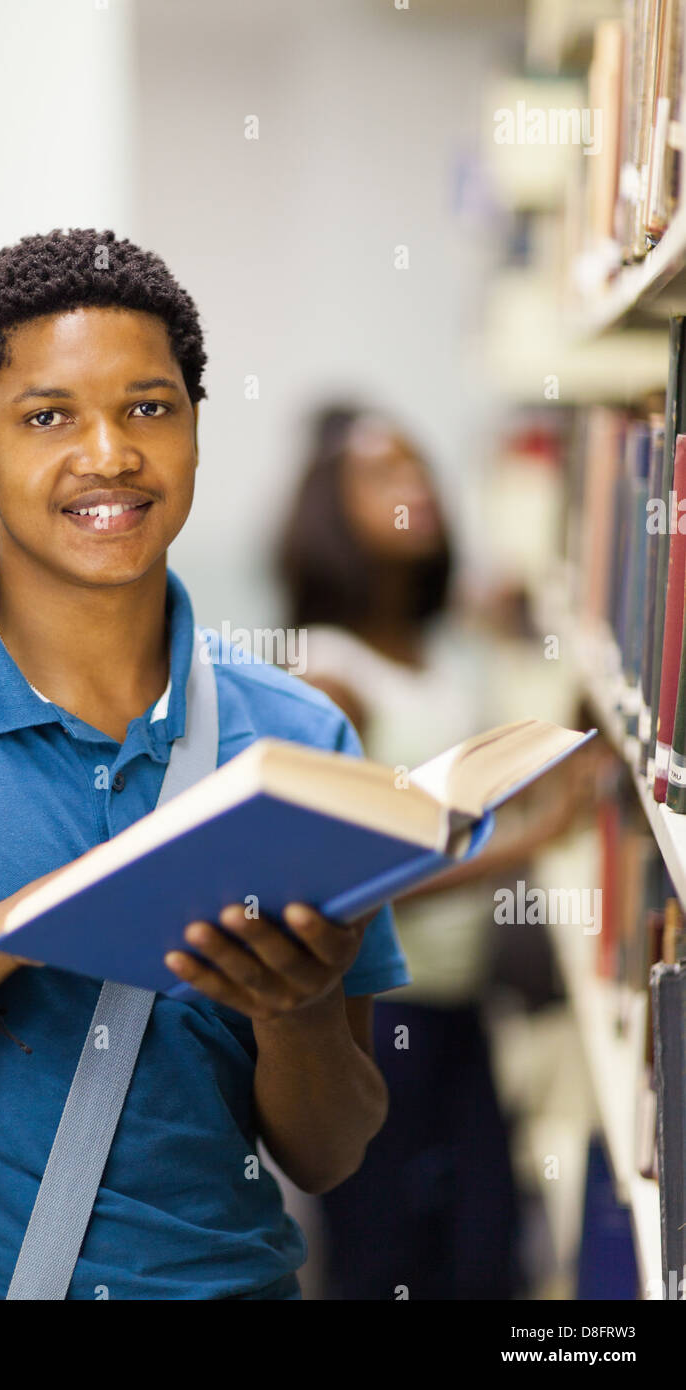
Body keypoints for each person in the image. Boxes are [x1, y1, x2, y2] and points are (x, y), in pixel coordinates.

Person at [0, 233, 410, 1301]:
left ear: (193, 428)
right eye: (48, 417)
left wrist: (297, 1011)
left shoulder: (299, 739)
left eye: (149, 407)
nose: (109, 454)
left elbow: (330, 1153)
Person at [277, 405, 584, 1299]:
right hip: (384, 1022)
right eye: (382, 476)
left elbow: (452, 796)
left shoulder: (433, 649)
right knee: (389, 1263)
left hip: (461, 1003)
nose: (415, 490)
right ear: (329, 513)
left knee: (486, 1258)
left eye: (419, 468)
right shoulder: (329, 677)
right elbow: (348, 885)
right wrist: (535, 841)